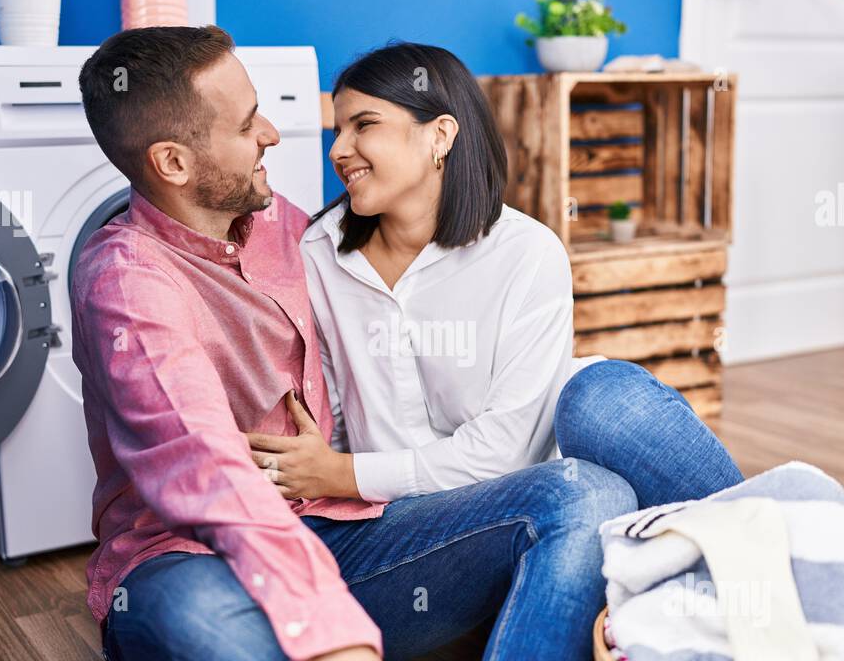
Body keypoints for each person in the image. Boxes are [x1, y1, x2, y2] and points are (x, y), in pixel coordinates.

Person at [71, 25, 637, 661]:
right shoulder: (128, 285)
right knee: (196, 609)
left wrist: (342, 475)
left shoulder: (290, 231)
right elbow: (206, 471)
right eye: (247, 126)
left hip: (338, 538)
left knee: (587, 493)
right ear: (173, 163)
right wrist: (331, 636)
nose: (274, 133)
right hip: (183, 565)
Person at [267, 41, 745, 520]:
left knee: (604, 395)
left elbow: (504, 456)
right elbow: (328, 415)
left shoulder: (526, 253)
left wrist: (345, 473)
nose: (337, 150)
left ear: (440, 136)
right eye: (338, 128)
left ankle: (771, 539)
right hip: (404, 519)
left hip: (516, 494)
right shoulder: (319, 254)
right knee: (592, 491)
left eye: (364, 124)